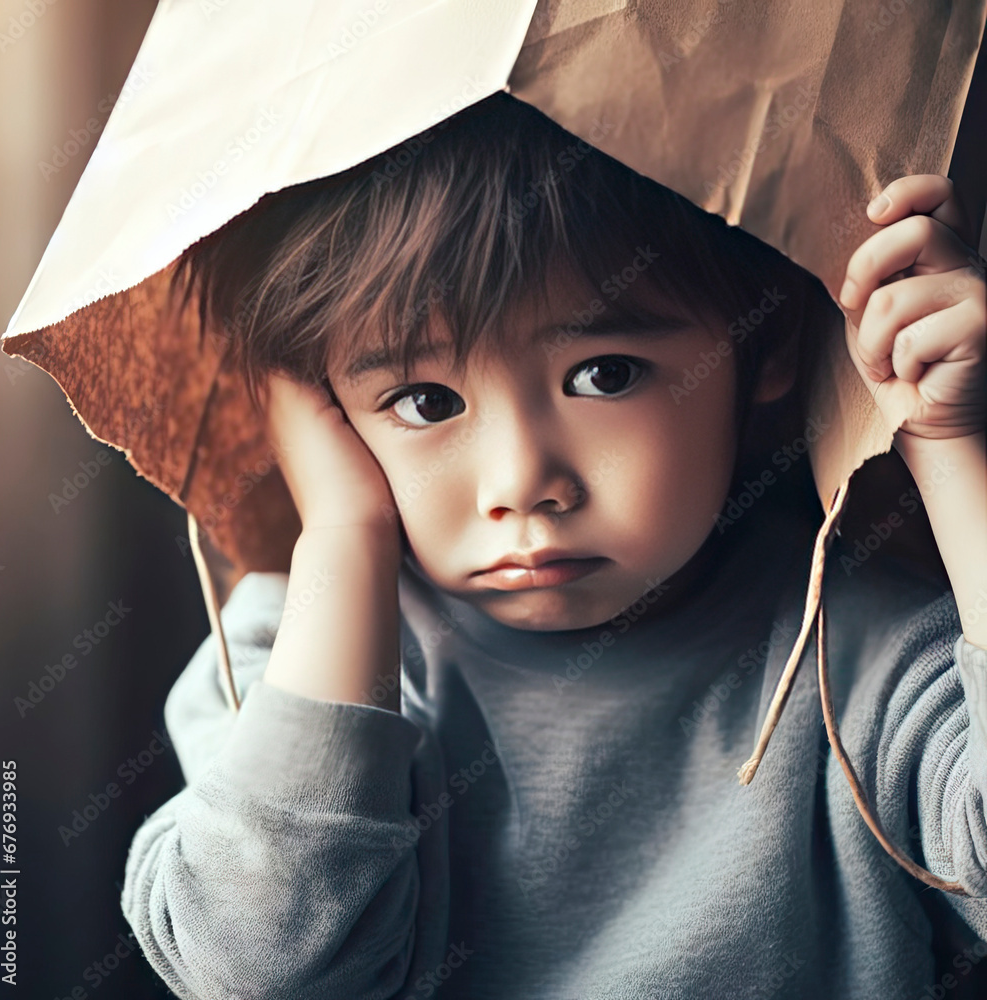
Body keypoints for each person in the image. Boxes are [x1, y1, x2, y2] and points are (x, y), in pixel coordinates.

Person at [120, 92, 987, 998]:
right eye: (424, 401)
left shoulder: (859, 656)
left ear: (767, 345)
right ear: (318, 411)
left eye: (604, 375)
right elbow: (257, 970)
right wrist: (343, 534)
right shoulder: (284, 658)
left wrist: (946, 440)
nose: (521, 482)